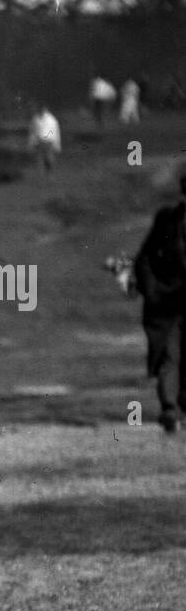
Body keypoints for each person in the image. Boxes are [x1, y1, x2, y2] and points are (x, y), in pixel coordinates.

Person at [131, 171, 186, 431]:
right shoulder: (166, 221)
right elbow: (144, 257)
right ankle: (170, 409)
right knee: (168, 354)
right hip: (167, 304)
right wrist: (152, 290)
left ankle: (179, 405)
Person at [27, 104, 61, 174]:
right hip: (40, 141)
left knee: (49, 158)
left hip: (48, 141)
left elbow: (55, 131)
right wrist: (31, 142)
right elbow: (33, 131)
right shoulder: (35, 119)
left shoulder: (51, 120)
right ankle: (42, 173)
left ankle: (49, 172)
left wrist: (57, 144)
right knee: (40, 158)